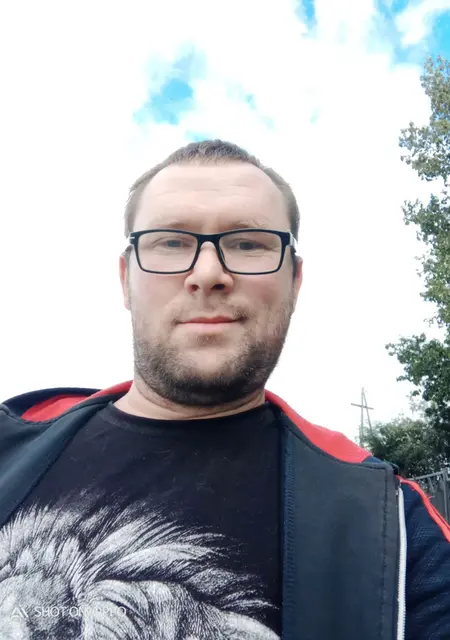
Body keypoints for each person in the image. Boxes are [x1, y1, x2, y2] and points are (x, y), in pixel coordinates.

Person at [0, 139, 449, 640]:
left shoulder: (394, 528)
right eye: (171, 242)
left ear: (295, 281)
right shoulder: (9, 445)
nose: (208, 274)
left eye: (248, 244)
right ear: (126, 279)